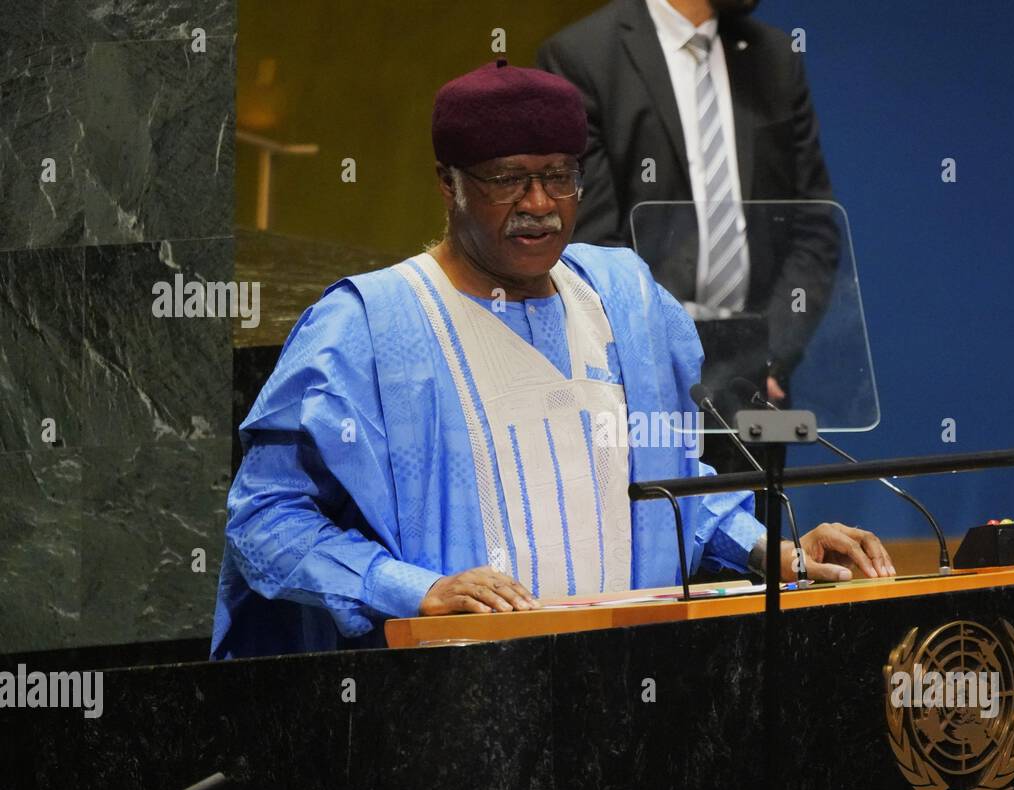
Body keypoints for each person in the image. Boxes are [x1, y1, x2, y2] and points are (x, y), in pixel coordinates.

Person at [210, 61, 892, 659]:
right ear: (449, 185)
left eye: (559, 178)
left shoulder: (624, 296)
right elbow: (266, 519)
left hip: (635, 683)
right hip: (454, 706)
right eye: (508, 179)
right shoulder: (370, 324)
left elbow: (675, 490)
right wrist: (417, 591)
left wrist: (779, 553)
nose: (539, 205)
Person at [537, 0, 840, 457]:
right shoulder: (584, 56)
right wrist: (664, 359)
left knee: (759, 531)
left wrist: (773, 353)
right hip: (642, 389)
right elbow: (591, 239)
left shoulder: (775, 57)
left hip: (754, 385)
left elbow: (813, 223)